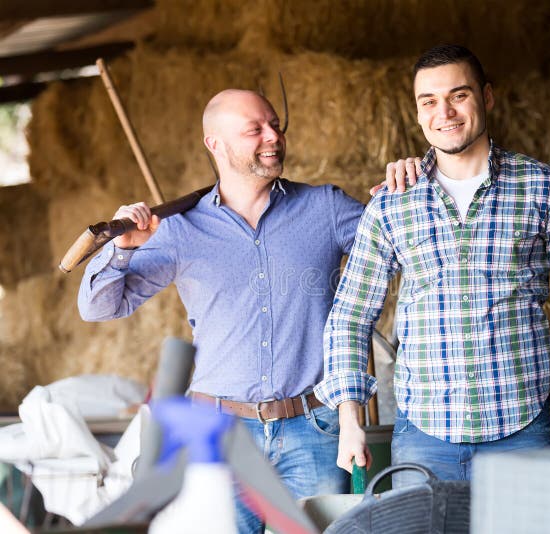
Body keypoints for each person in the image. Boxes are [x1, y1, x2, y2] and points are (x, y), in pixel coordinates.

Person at [314, 44, 550, 486]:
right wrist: (350, 419)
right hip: (424, 435)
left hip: (521, 430)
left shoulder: (545, 189)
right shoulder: (392, 203)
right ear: (417, 113)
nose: (444, 113)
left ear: (486, 97)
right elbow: (350, 316)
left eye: (459, 95)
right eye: (429, 101)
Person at [77, 89, 404, 534]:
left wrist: (399, 197)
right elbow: (97, 307)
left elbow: (402, 249)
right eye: (255, 130)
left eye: (275, 125)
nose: (273, 136)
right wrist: (122, 248)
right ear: (214, 143)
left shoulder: (324, 208)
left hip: (314, 430)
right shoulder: (178, 229)